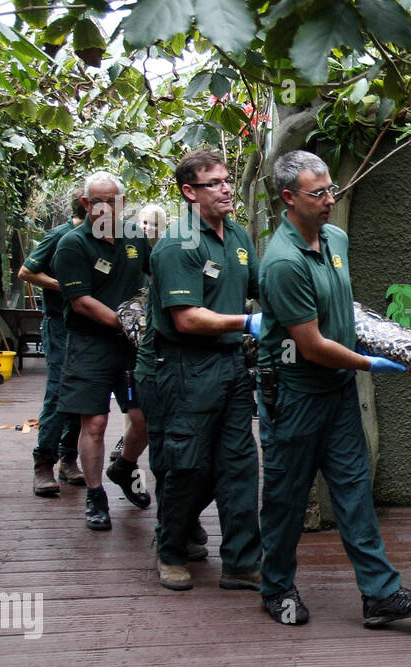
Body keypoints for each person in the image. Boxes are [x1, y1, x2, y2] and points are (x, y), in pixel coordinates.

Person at [255, 150, 411, 628]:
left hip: (336, 394)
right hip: (295, 395)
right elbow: (311, 346)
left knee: (355, 491)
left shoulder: (335, 238)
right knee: (287, 498)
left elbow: (341, 308)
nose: (331, 199)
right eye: (319, 194)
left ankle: (379, 595)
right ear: (290, 198)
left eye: (332, 188)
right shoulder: (282, 263)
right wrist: (368, 363)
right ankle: (276, 588)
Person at [146, 148, 262, 591]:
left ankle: (241, 562)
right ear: (189, 192)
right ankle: (171, 551)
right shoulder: (179, 245)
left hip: (232, 366)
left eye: (227, 180)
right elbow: (187, 318)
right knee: (188, 465)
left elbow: (260, 288)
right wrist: (249, 322)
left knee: (239, 465)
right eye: (214, 183)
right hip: (186, 366)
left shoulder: (236, 236)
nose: (227, 188)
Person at [54, 171, 152, 531]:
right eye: (96, 201)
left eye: (111, 200)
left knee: (143, 419)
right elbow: (81, 302)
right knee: (94, 422)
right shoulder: (72, 244)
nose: (104, 207)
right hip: (90, 344)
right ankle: (96, 496)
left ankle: (124, 468)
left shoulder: (134, 237)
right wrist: (128, 324)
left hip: (132, 346)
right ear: (85, 203)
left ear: (123, 203)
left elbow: (153, 274)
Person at [18, 188, 87, 497]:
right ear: (85, 205)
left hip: (89, 326)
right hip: (59, 324)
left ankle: (68, 459)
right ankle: (42, 462)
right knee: (59, 390)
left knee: (82, 392)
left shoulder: (100, 238)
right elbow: (26, 272)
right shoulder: (59, 235)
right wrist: (66, 287)